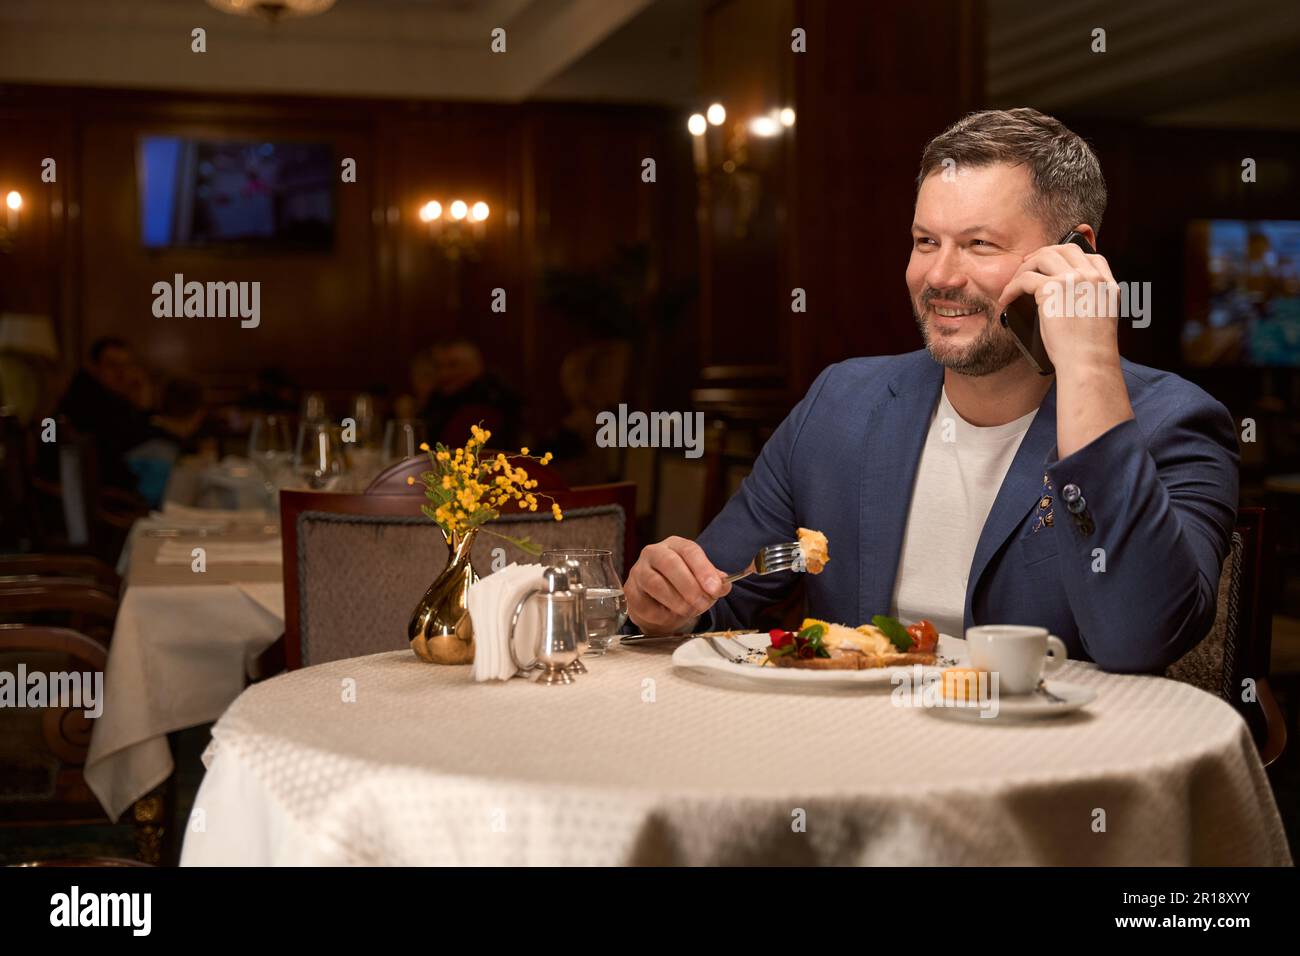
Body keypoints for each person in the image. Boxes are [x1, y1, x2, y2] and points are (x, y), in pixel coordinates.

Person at [622, 108, 1239, 674]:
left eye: (979, 244)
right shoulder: (841, 402)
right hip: (856, 764)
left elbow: (1140, 640)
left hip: (1045, 775)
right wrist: (669, 603)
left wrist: (1090, 368)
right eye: (925, 242)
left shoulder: (1175, 424)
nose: (940, 277)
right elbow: (717, 603)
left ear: (1075, 257)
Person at [52, 336, 155, 492]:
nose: (121, 373)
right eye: (112, 365)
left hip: (90, 490)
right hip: (98, 496)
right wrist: (144, 406)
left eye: (126, 366)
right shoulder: (88, 400)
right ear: (94, 368)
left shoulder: (101, 396)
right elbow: (136, 440)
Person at [421, 338, 521, 450]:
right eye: (438, 366)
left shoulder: (488, 402)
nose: (444, 373)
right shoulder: (439, 400)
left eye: (453, 365)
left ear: (475, 366)